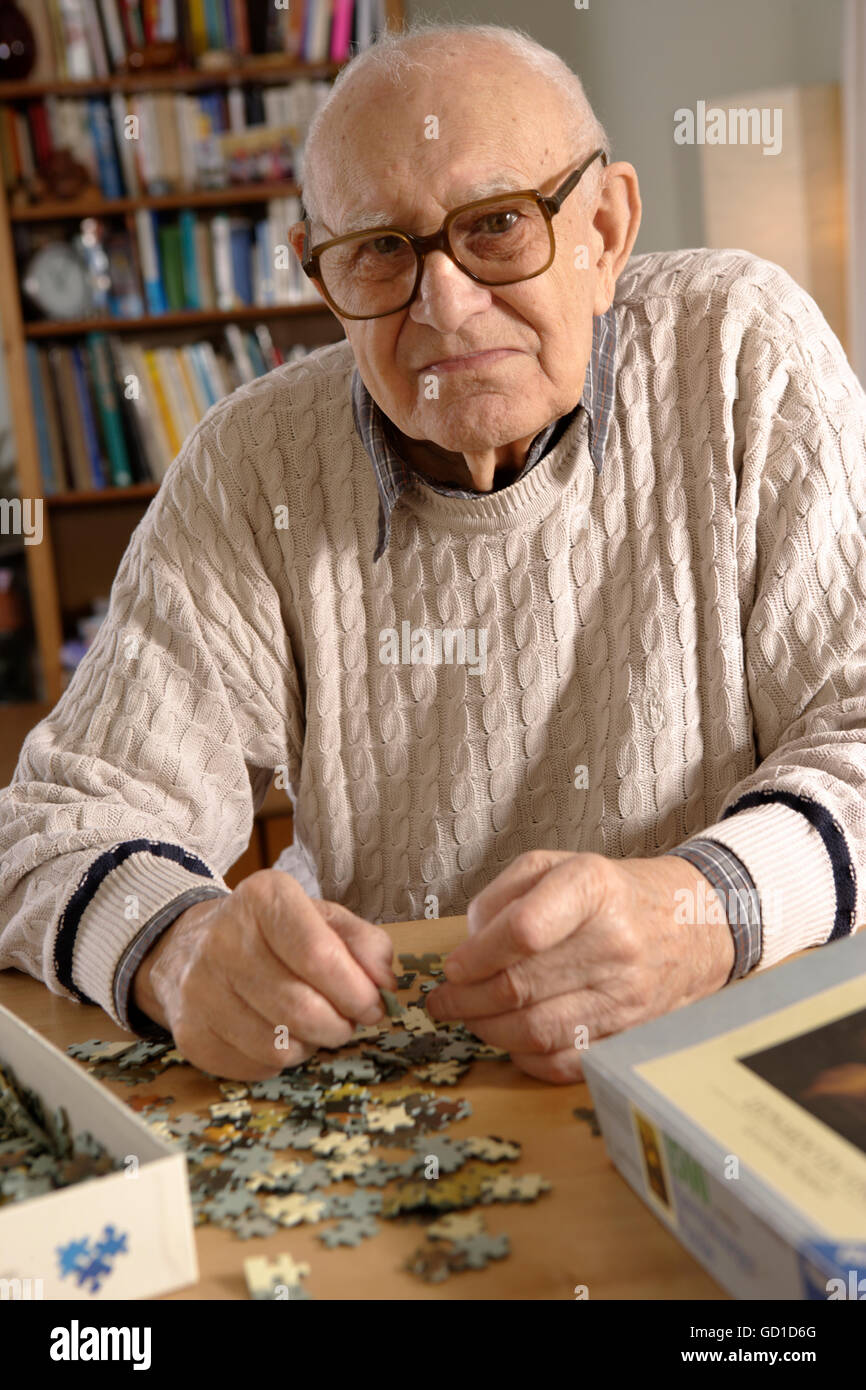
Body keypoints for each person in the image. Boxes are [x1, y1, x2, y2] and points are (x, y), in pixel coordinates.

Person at [1, 23, 865, 1084]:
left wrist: (701, 907)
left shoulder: (740, 350)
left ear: (604, 227)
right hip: (412, 1097)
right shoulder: (253, 462)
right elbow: (54, 824)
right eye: (380, 250)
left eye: (496, 225)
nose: (445, 305)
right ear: (325, 283)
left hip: (749, 1063)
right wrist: (174, 950)